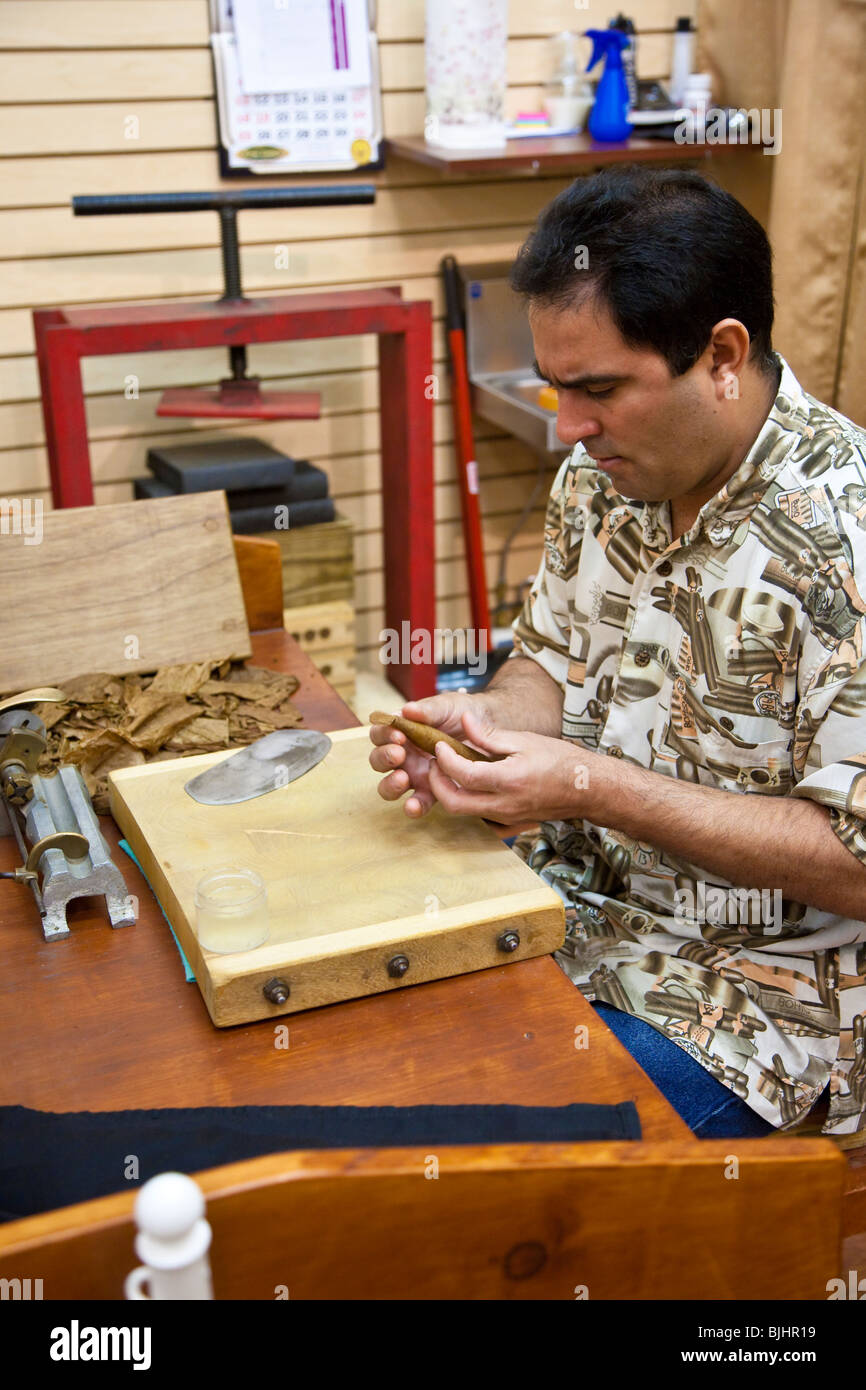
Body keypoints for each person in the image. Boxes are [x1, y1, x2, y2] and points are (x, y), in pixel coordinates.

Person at [369, 166, 866, 1139]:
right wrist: (485, 730)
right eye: (554, 388)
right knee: (356, 1057)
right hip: (570, 904)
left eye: (597, 389)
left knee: (461, 1149)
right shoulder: (600, 481)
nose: (567, 428)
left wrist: (589, 785)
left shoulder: (840, 539)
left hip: (759, 1001)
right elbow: (541, 665)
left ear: (721, 354)